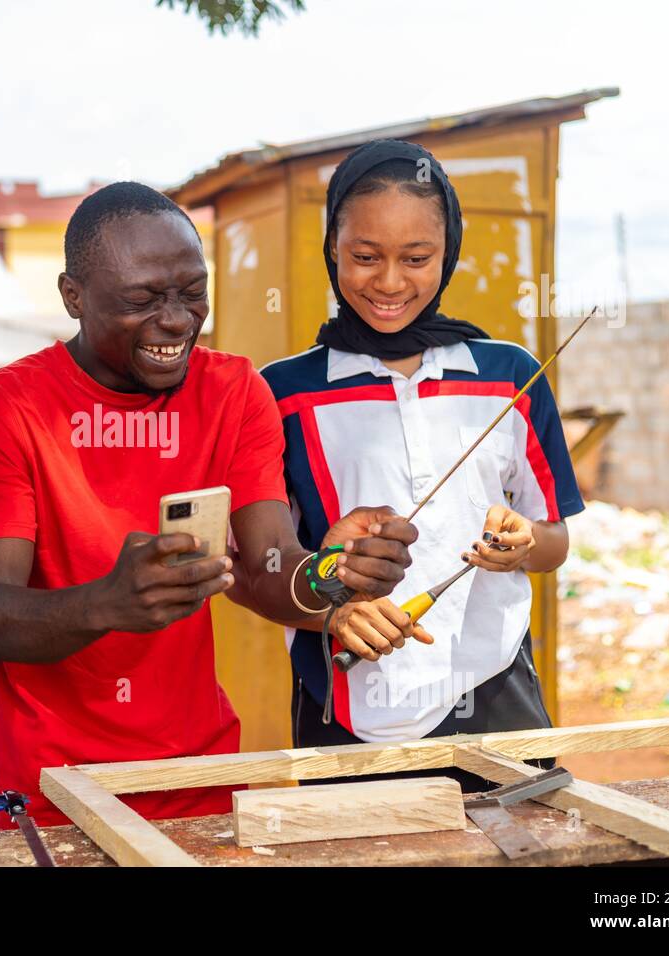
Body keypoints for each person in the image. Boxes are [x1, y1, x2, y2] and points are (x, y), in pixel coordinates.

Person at [0, 182, 418, 828]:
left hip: (196, 777)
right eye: (142, 300)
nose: (176, 320)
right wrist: (107, 602)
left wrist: (331, 573)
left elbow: (269, 569)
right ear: (73, 297)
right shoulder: (8, 409)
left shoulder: (234, 392)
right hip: (51, 791)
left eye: (192, 292)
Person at [257, 140, 584, 783]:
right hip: (344, 704)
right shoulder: (282, 393)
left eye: (416, 258)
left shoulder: (510, 377)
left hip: (496, 695)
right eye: (364, 257)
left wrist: (524, 544)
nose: (389, 282)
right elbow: (262, 567)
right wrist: (331, 601)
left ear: (449, 252)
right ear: (331, 249)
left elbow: (555, 542)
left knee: (521, 837)